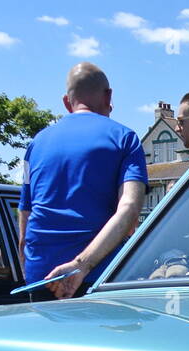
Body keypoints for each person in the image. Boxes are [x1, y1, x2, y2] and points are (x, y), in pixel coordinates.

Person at [19, 62, 147, 299]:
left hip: (40, 277)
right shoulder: (125, 139)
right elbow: (129, 210)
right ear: (108, 96)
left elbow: (25, 218)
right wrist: (82, 264)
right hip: (98, 276)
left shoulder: (36, 144)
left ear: (67, 102)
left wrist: (28, 271)